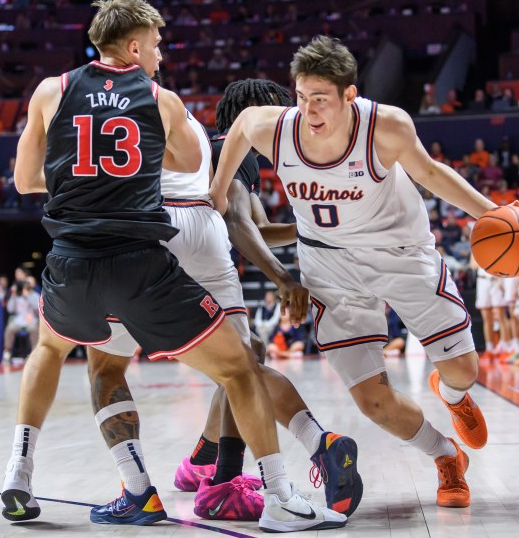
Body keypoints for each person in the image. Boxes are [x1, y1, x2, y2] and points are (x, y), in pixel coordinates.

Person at [1, 0, 346, 533]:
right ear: (134, 46)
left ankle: (33, 473)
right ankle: (277, 491)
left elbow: (25, 181)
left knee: (71, 356)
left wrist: (82, 174)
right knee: (239, 367)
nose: (160, 54)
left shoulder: (52, 90)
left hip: (73, 263)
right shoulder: (160, 98)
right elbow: (192, 163)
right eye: (157, 45)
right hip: (144, 256)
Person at [211, 35, 502, 508]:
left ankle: (452, 395)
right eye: (302, 97)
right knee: (373, 402)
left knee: (464, 371)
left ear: (351, 95)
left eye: (320, 99)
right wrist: (218, 188)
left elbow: (430, 173)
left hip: (400, 253)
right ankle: (447, 457)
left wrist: (493, 211)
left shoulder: (385, 126)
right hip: (329, 265)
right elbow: (241, 125)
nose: (309, 109)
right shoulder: (276, 127)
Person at [87, 77, 362, 521]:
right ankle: (244, 468)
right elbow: (233, 217)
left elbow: (255, 225)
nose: (288, 119)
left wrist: (321, 224)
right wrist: (282, 277)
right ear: (252, 110)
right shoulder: (230, 146)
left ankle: (205, 462)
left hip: (168, 237)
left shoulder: (231, 154)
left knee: (241, 359)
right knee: (240, 365)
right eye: (279, 108)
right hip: (180, 242)